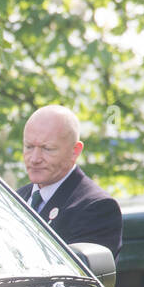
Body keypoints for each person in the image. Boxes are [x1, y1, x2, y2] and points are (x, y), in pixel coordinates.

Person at [17, 105, 122, 259]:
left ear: (75, 151)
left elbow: (76, 278)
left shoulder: (96, 207)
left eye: (47, 148)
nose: (35, 158)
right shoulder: (16, 198)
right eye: (29, 147)